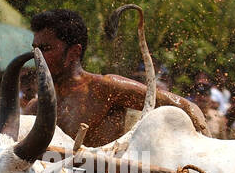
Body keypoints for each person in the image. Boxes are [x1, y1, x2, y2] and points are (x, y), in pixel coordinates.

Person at [25, 9, 205, 146]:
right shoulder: (35, 108)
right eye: (35, 49)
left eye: (45, 49)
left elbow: (187, 107)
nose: (37, 56)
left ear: (74, 52)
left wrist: (205, 149)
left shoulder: (105, 89)